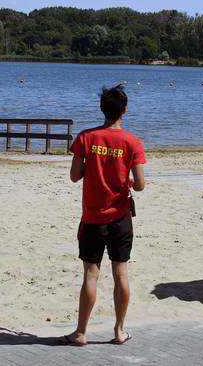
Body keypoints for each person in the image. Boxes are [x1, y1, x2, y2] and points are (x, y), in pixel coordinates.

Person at [58, 85, 147, 347]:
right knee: (121, 273)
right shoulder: (132, 142)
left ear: (102, 109)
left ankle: (81, 332)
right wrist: (127, 181)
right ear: (124, 111)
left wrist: (93, 166)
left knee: (90, 274)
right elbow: (140, 184)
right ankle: (120, 330)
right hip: (120, 218)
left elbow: (75, 176)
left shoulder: (86, 138)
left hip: (93, 218)